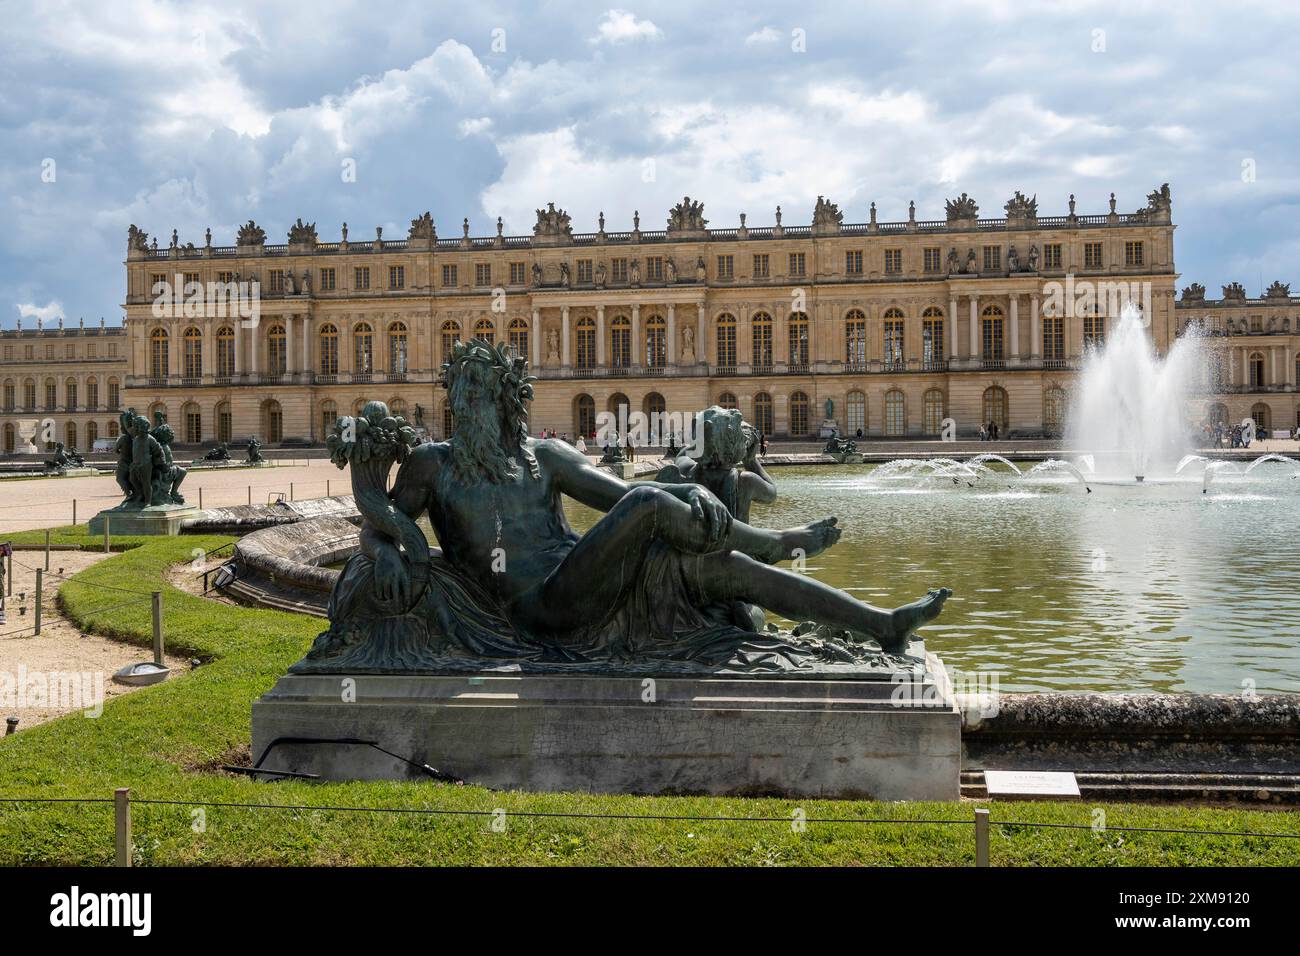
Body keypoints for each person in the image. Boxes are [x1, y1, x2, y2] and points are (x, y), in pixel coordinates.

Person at [314, 340, 949, 664]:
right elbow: (381, 523)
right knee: (655, 502)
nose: (469, 403)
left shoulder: (546, 457)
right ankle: (775, 544)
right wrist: (387, 550)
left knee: (715, 569)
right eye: (463, 391)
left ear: (508, 398)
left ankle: (882, 624)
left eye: (481, 391)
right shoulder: (435, 463)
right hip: (538, 606)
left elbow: (619, 498)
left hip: (581, 572)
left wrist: (692, 492)